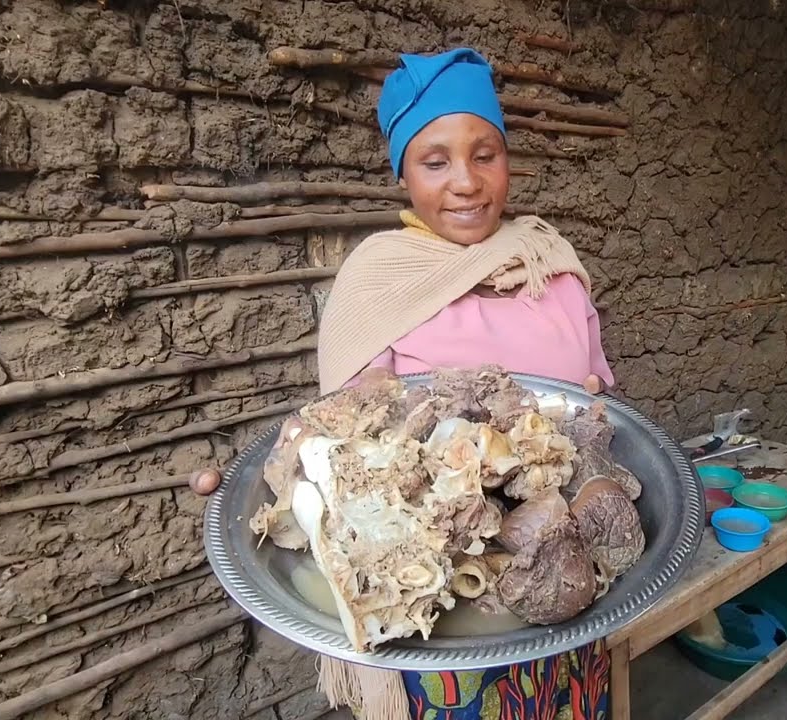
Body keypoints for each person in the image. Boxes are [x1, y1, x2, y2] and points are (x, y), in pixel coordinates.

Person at [188, 47, 614, 720]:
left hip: (567, 587)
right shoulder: (379, 282)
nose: (467, 183)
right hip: (439, 613)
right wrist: (266, 485)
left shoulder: (549, 265)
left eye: (486, 154)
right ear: (403, 174)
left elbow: (596, 409)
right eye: (435, 161)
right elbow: (344, 449)